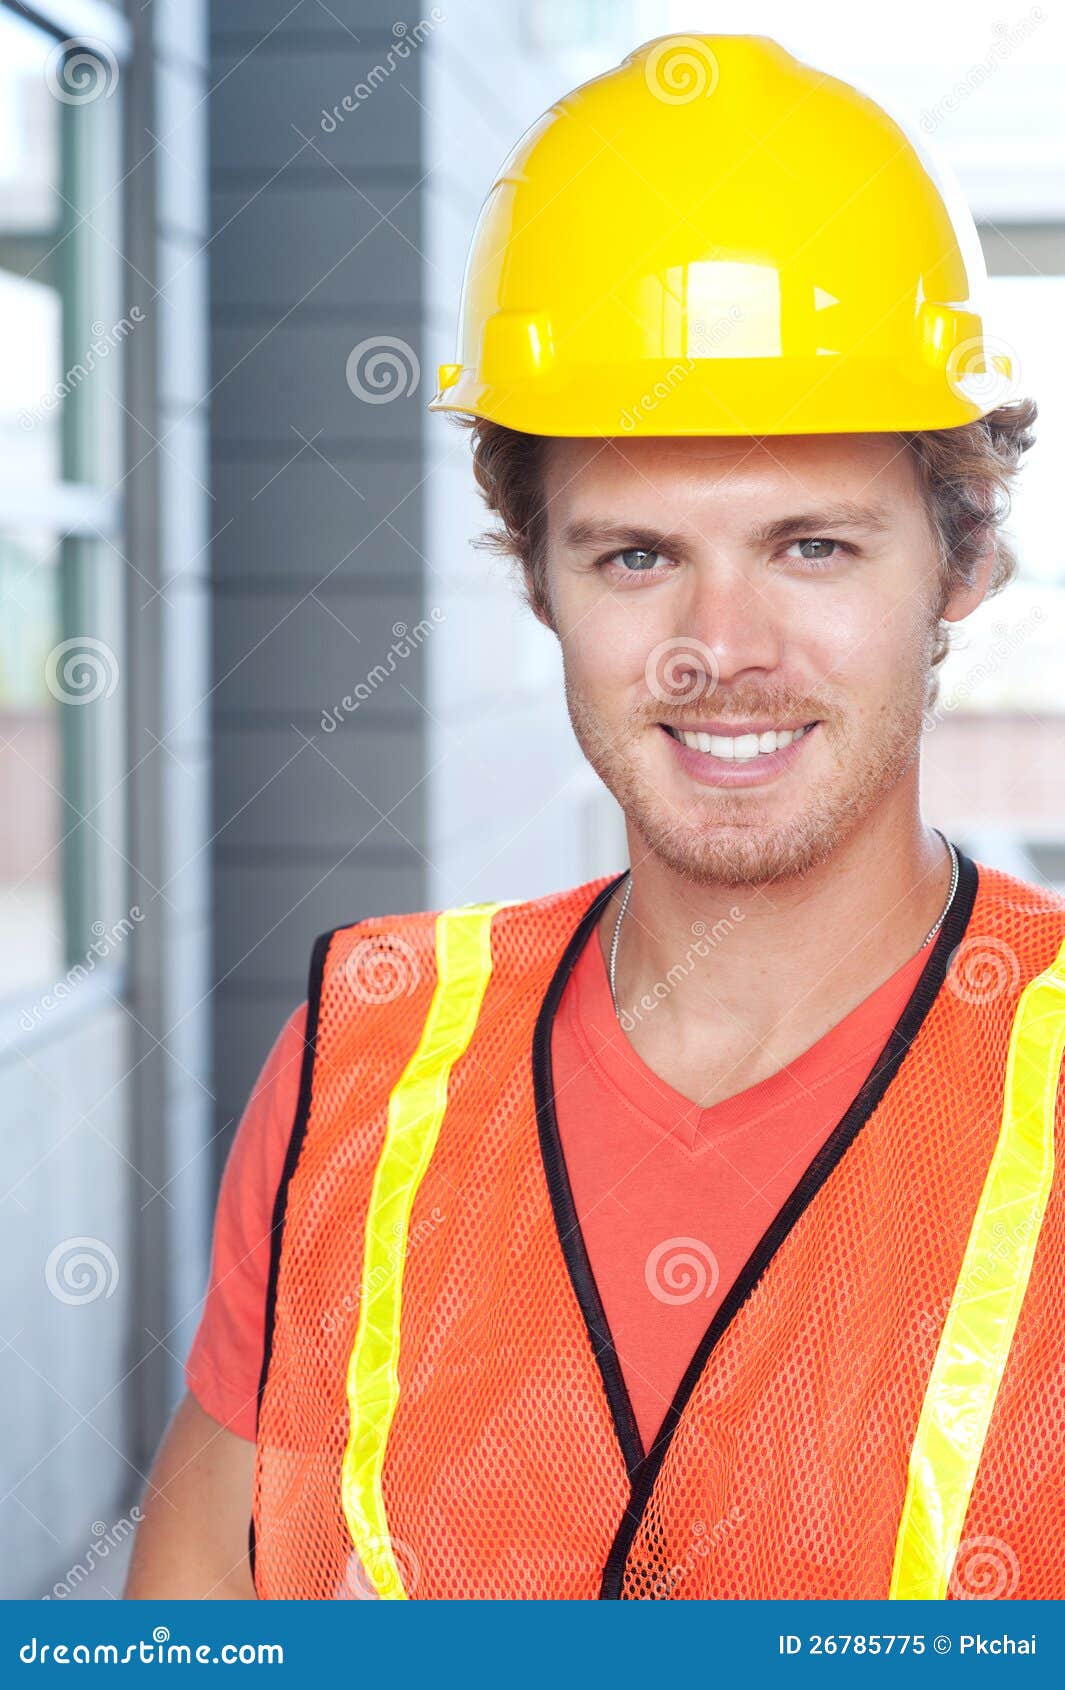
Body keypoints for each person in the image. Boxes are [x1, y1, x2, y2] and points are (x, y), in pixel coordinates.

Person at [125, 33, 1065, 1602]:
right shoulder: (366, 1058)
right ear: (540, 578)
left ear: (959, 567)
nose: (723, 644)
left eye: (812, 548)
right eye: (636, 556)